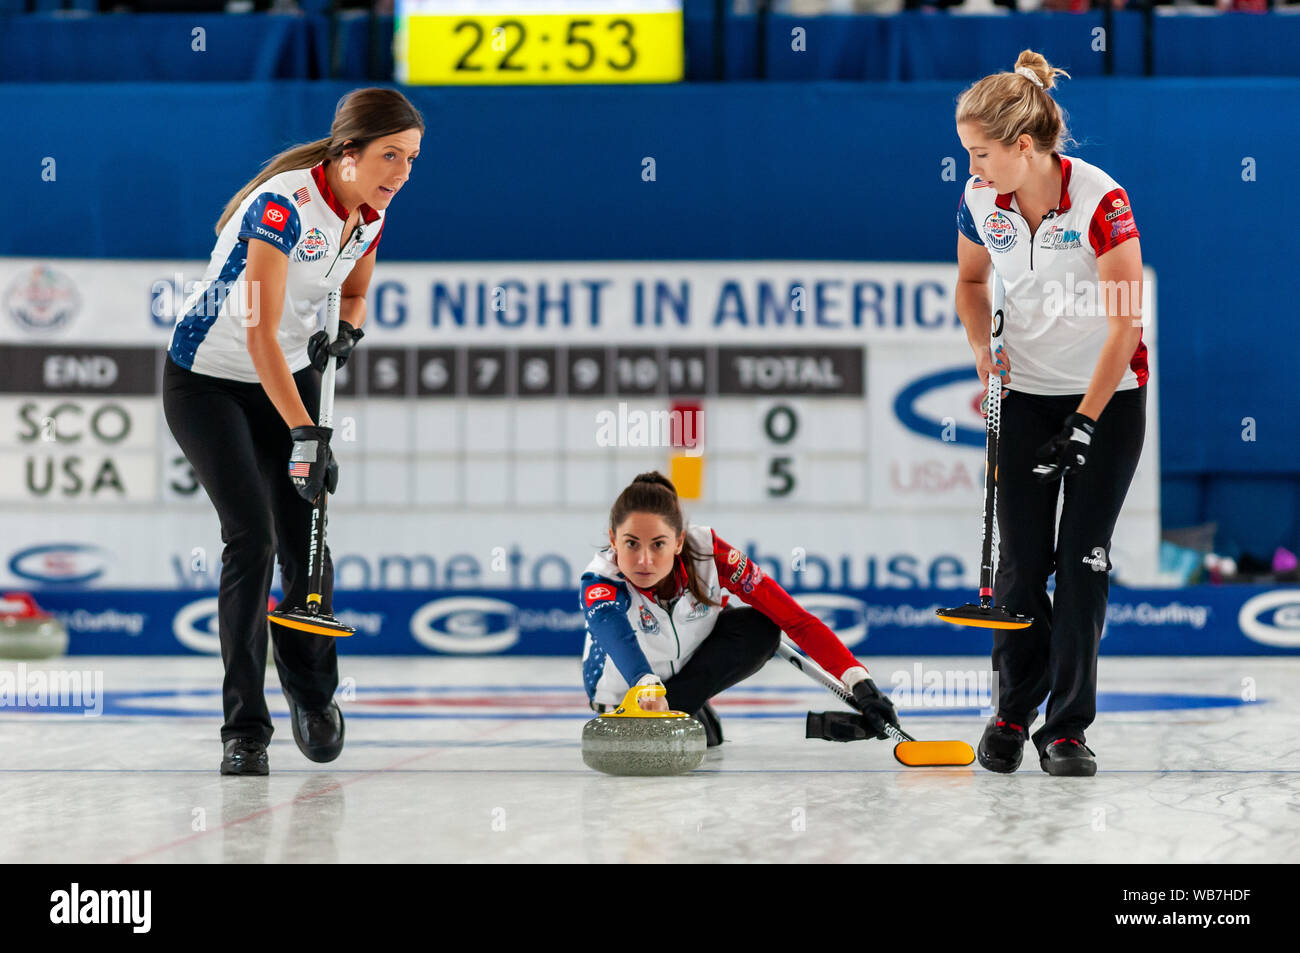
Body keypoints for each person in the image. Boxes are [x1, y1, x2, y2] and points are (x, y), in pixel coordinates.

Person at [163, 87, 424, 775]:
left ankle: (314, 694)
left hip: (285, 371)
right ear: (347, 154)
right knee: (252, 537)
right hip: (208, 379)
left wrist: (349, 327)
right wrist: (306, 432)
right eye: (389, 155)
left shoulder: (368, 217)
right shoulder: (283, 204)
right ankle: (244, 727)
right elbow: (256, 333)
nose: (400, 173)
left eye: (411, 159)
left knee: (308, 536)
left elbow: (356, 289)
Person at [954, 51, 1147, 776]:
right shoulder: (980, 200)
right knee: (1022, 566)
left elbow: (1125, 325)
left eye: (980, 152)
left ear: (1024, 147)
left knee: (1083, 562)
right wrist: (981, 347)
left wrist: (1087, 422)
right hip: (1025, 395)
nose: (971, 165)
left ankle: (1066, 728)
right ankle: (1010, 711)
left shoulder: (1101, 199)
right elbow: (971, 282)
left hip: (1111, 397)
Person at [580, 472, 899, 745]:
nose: (644, 560)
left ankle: (679, 705)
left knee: (760, 628)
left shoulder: (709, 554)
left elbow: (794, 620)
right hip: (628, 697)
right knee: (703, 736)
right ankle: (667, 712)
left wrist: (859, 681)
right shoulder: (602, 579)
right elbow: (614, 632)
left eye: (658, 544)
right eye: (631, 543)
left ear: (678, 542)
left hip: (678, 684)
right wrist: (644, 684)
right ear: (613, 539)